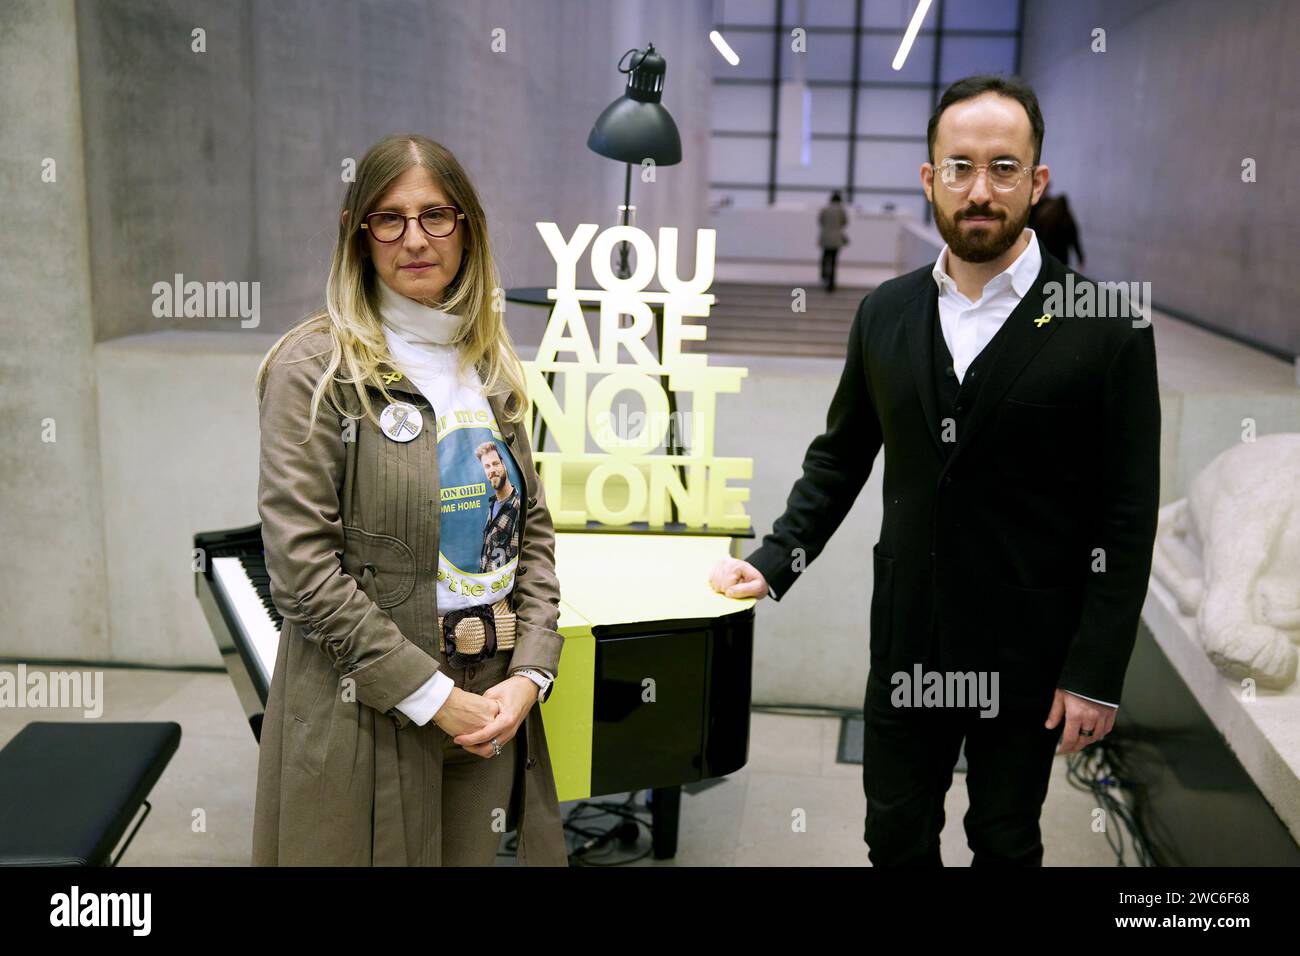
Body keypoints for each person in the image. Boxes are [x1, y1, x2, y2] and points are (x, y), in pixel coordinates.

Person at [709, 74, 1160, 865]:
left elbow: (1126, 513)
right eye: (959, 167)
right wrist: (776, 559)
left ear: (1037, 180)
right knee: (895, 834)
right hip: (909, 642)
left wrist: (1095, 672)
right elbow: (842, 455)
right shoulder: (886, 311)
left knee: (1005, 837)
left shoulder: (1108, 324)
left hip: (1029, 652)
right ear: (929, 178)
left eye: (1003, 168)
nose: (979, 190)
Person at [251, 133, 567, 866]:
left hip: (490, 701)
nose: (414, 239)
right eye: (389, 218)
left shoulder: (487, 361)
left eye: (436, 216)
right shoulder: (314, 368)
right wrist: (428, 694)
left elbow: (534, 536)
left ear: (468, 228)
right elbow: (302, 572)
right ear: (358, 234)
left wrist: (530, 672)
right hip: (369, 702)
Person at [1029, 188, 1085, 267]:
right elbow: (1075, 241)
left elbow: (1035, 234)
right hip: (1062, 259)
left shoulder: (1046, 218)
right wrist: (1080, 258)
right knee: (1065, 276)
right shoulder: (1068, 221)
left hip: (1047, 257)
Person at [818, 191, 849, 292]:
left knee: (825, 256)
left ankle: (824, 275)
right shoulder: (841, 210)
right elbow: (844, 222)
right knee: (833, 261)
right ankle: (831, 284)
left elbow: (820, 221)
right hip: (836, 238)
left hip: (825, 237)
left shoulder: (825, 209)